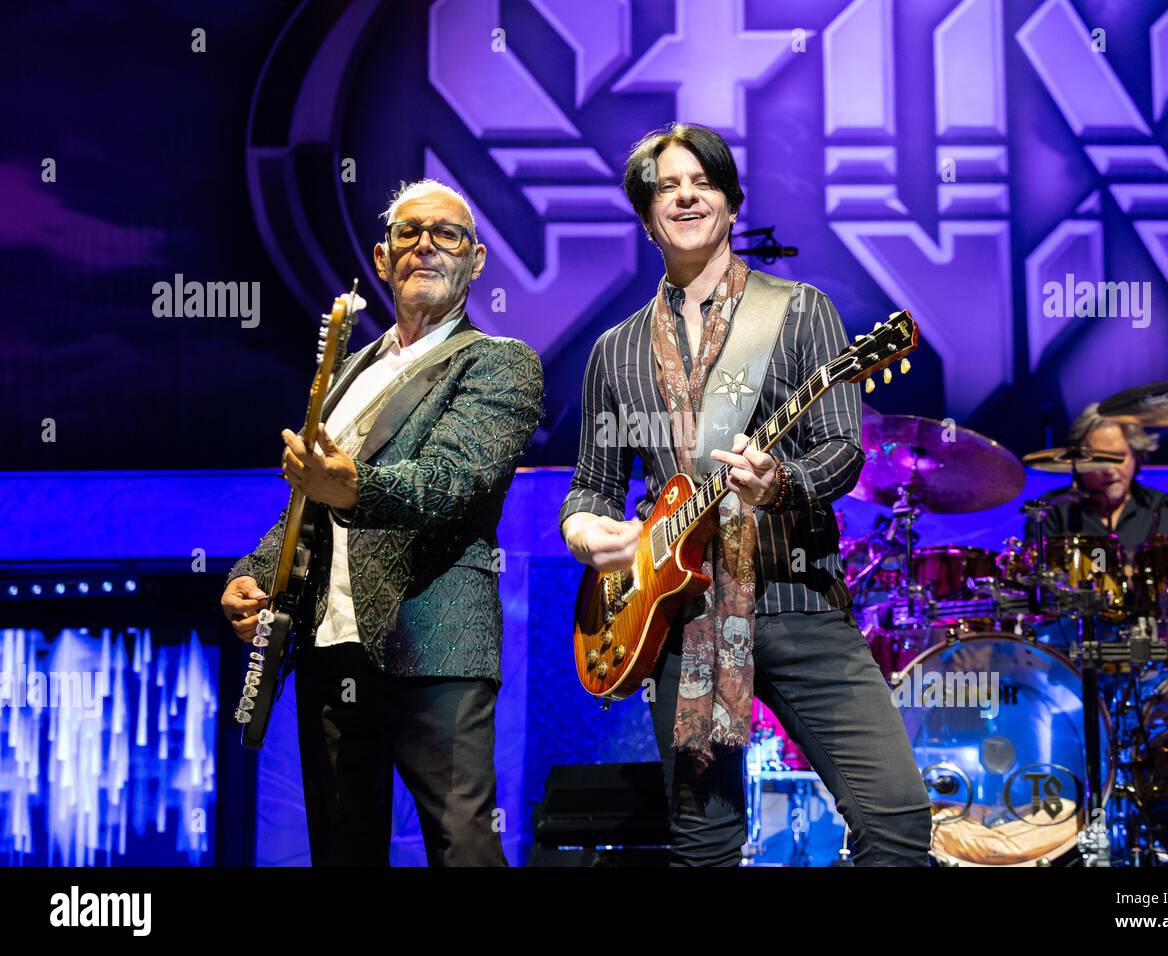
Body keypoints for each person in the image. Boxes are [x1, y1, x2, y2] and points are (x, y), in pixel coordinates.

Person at [558, 123, 932, 866]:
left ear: (731, 204)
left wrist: (779, 482)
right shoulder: (614, 352)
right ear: (645, 217)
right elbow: (590, 488)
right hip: (679, 618)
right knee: (705, 852)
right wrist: (585, 532)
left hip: (797, 601)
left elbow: (840, 452)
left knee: (896, 823)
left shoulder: (798, 312)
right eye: (668, 186)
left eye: (705, 182)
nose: (687, 194)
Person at [220, 179, 543, 866]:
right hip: (330, 646)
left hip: (435, 648)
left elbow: (451, 483)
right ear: (381, 254)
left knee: (465, 850)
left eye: (447, 235)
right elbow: (307, 500)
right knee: (342, 851)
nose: (425, 245)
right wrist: (253, 573)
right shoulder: (351, 368)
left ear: (476, 260)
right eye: (408, 232)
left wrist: (354, 485)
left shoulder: (497, 363)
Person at [1033, 403, 1168, 559]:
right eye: (1098, 459)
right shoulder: (1050, 511)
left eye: (1118, 457)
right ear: (1078, 461)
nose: (1109, 470)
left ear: (1136, 456)